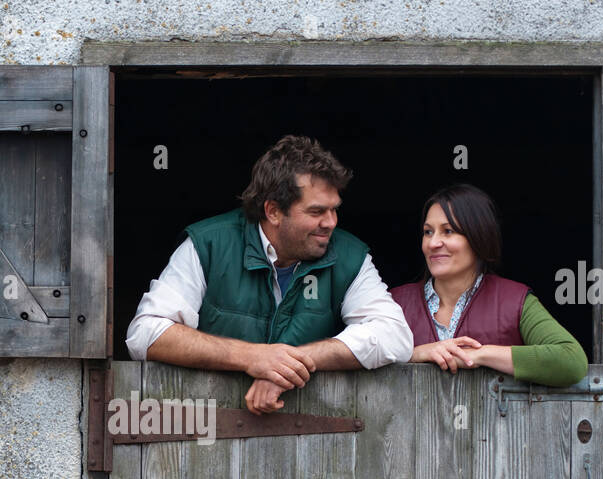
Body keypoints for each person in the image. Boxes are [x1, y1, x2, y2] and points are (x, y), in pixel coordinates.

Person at [125, 135, 413, 414]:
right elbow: (145, 334)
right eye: (316, 212)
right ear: (273, 211)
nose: (330, 223)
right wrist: (250, 357)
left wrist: (290, 362)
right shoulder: (209, 245)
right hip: (207, 437)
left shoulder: (349, 256)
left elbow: (394, 335)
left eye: (334, 210)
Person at [390, 184, 587, 387]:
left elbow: (571, 361)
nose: (433, 243)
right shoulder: (394, 303)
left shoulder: (514, 301)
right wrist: (415, 353)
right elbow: (357, 359)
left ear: (479, 236)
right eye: (428, 232)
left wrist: (480, 355)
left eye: (448, 231)